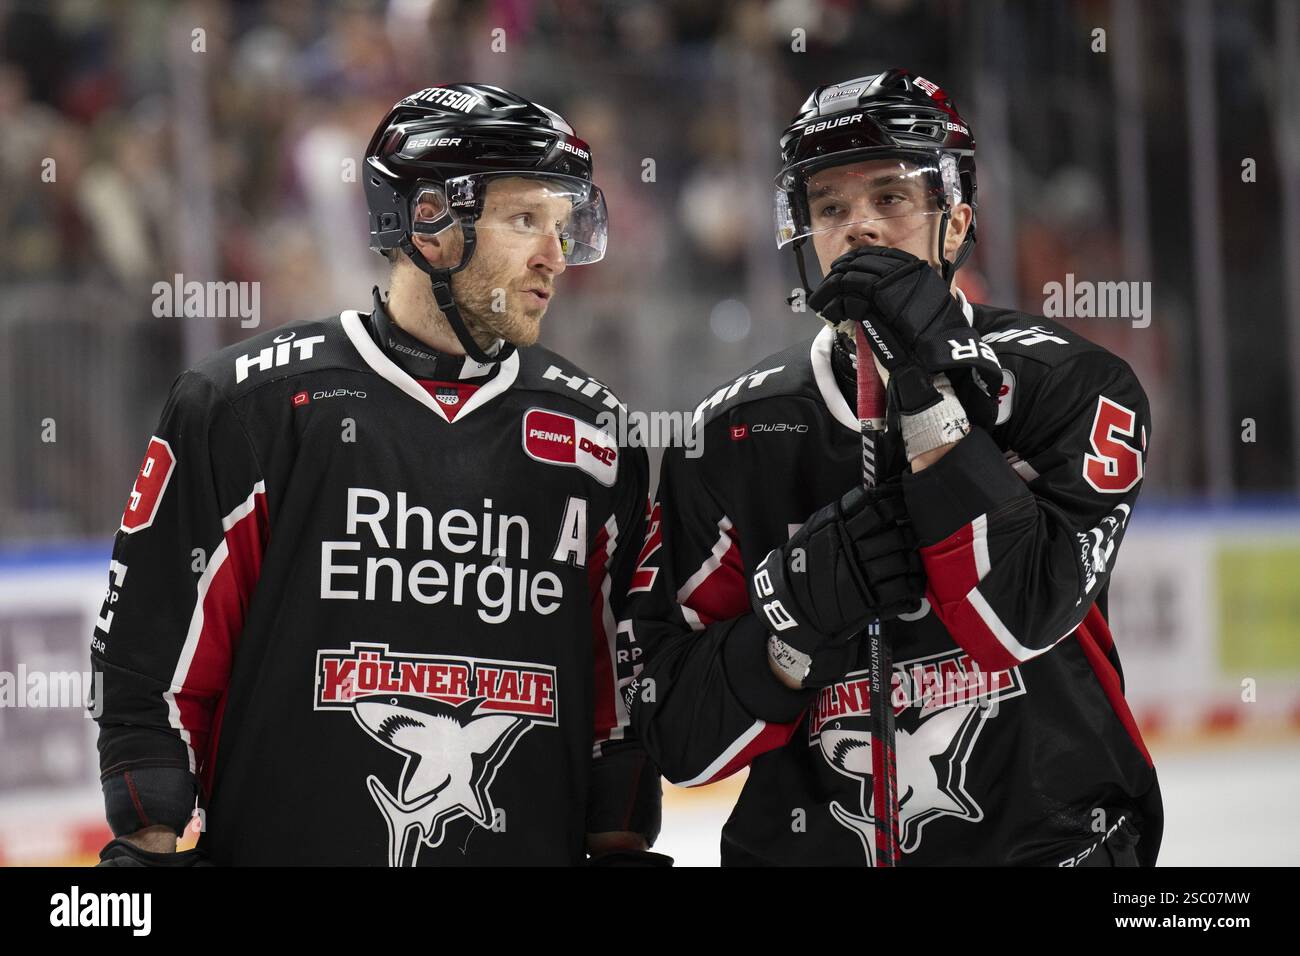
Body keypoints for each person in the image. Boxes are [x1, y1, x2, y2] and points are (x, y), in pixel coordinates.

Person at [90, 83, 664, 866]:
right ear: (429, 223)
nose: (554, 258)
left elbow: (617, 697)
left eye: (563, 227)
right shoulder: (250, 408)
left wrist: (622, 836)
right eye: (526, 220)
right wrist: (146, 837)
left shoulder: (596, 435)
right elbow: (149, 663)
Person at [624, 69, 1161, 866]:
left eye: (892, 198)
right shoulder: (731, 435)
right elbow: (682, 743)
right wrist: (794, 617)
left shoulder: (1071, 386)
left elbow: (1014, 622)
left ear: (957, 223)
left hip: (1049, 845)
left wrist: (928, 387)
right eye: (831, 208)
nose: (859, 229)